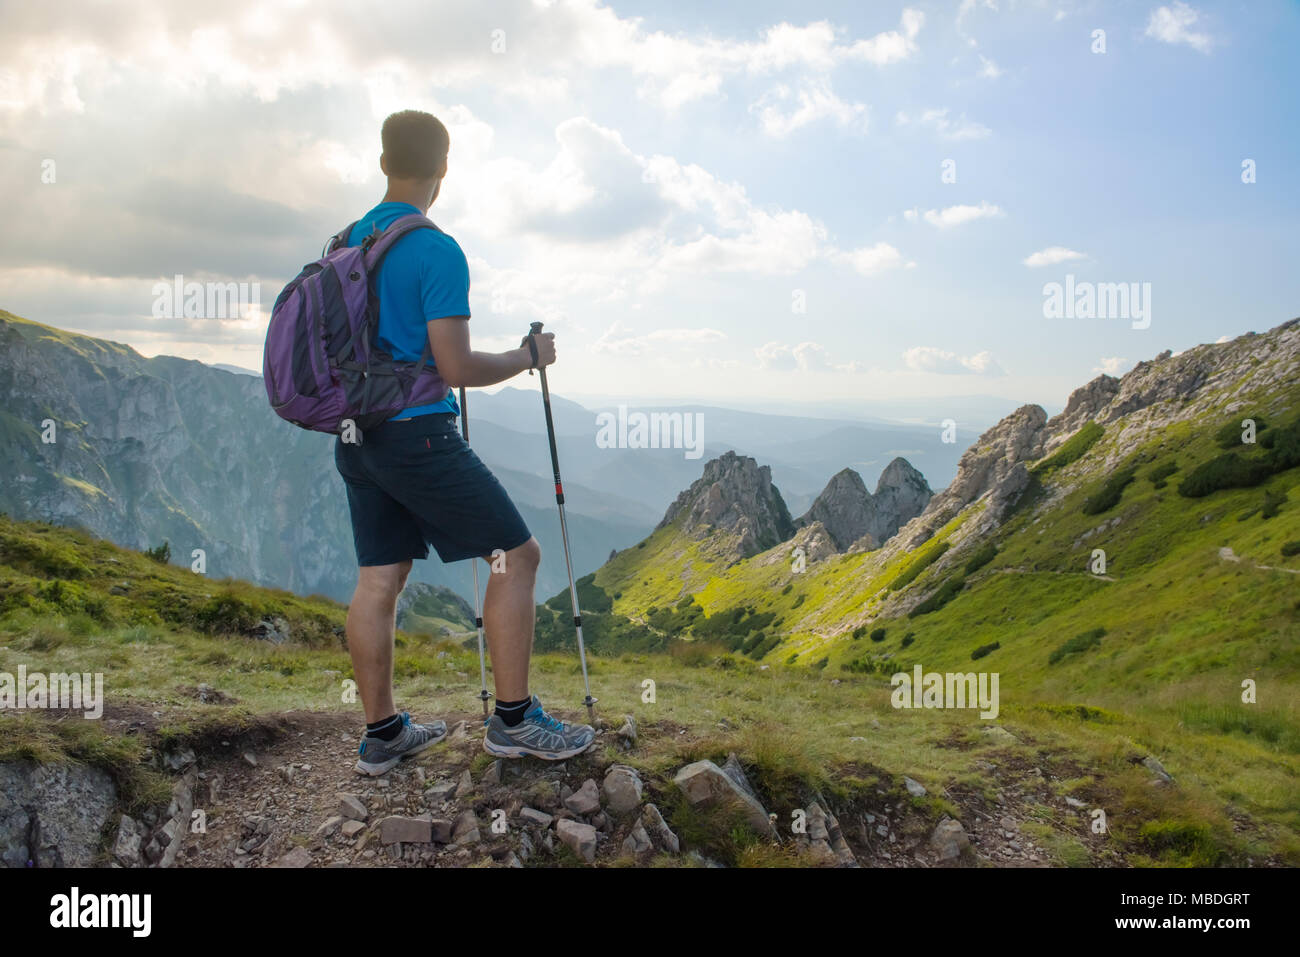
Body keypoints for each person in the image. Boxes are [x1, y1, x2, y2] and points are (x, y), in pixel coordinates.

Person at [334, 109, 595, 776]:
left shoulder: (345, 242)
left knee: (380, 577)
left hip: (355, 434)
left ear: (384, 160)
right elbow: (456, 367)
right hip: (417, 435)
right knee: (517, 554)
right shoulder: (434, 249)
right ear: (443, 170)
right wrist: (526, 355)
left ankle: (383, 732)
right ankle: (513, 721)